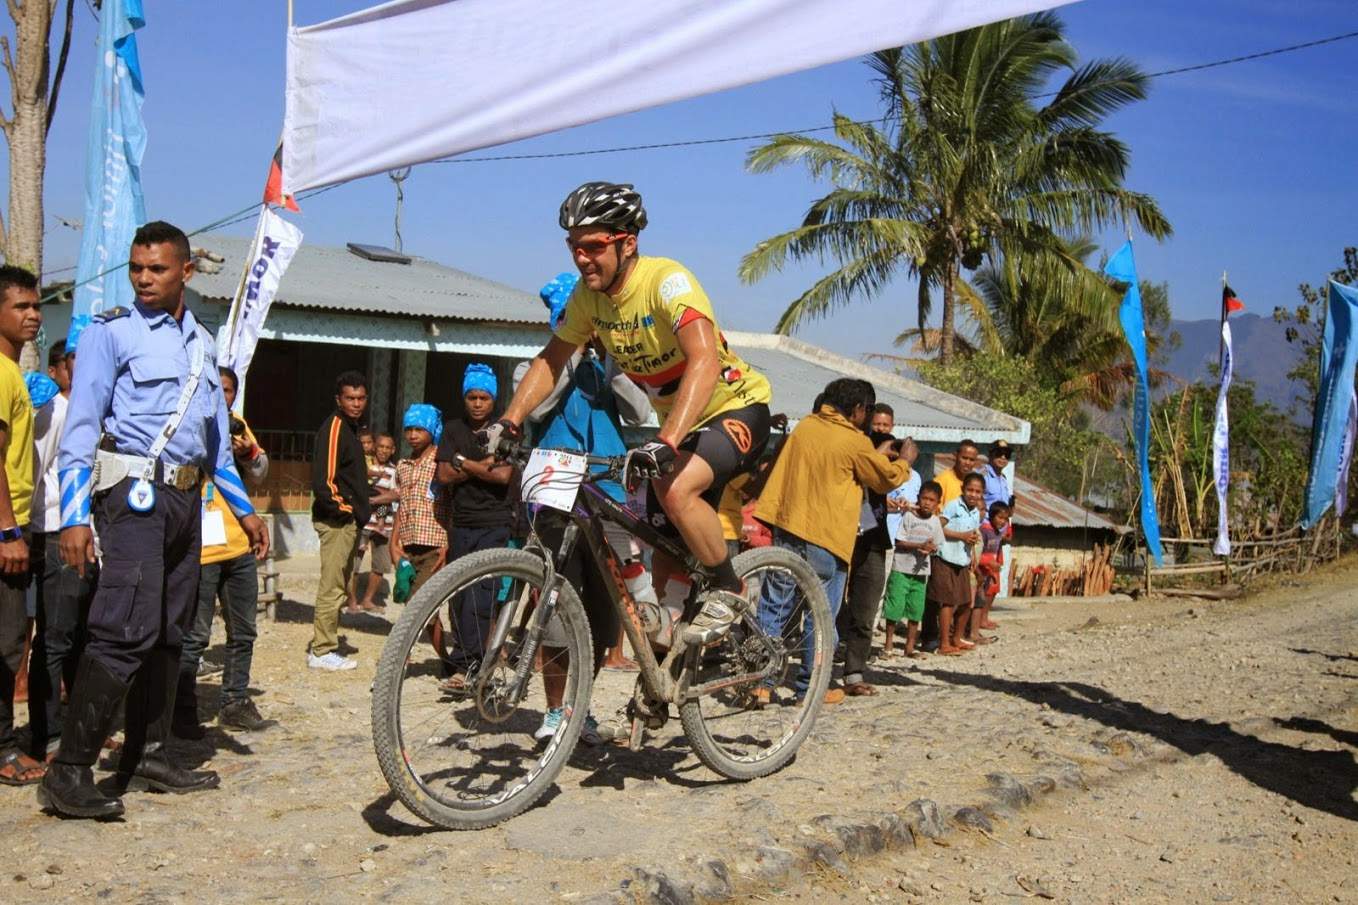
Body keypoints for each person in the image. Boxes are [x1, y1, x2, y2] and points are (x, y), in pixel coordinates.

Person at [40, 221, 269, 820]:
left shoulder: (202, 342)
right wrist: (73, 518)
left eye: (157, 269)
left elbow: (214, 442)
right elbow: (80, 429)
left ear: (185, 272)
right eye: (137, 268)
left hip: (186, 504)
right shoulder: (108, 334)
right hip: (131, 498)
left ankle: (150, 754)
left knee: (171, 632)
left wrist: (245, 513)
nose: (144, 279)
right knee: (122, 629)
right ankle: (68, 771)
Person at [482, 182, 773, 647]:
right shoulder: (588, 297)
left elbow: (703, 359)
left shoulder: (667, 281)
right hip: (682, 423)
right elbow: (551, 359)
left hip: (736, 406)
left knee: (674, 488)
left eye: (594, 246)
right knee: (661, 554)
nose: (581, 258)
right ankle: (663, 679)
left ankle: (728, 586)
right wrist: (509, 419)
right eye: (574, 246)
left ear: (628, 242)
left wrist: (667, 439)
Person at [519, 270, 653, 738]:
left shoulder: (608, 367)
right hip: (554, 497)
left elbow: (641, 413)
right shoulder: (531, 370)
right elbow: (534, 411)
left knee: (602, 611)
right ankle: (554, 710)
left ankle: (582, 707)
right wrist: (567, 356)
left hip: (608, 496)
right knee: (556, 608)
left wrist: (611, 362)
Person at [753, 378, 910, 704]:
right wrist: (905, 460)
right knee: (819, 617)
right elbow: (883, 479)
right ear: (857, 410)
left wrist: (874, 453)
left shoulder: (806, 427)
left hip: (787, 529)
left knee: (773, 608)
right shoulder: (854, 440)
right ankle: (810, 689)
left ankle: (760, 682)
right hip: (825, 540)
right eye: (867, 411)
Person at [175, 366, 273, 735]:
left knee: (243, 631)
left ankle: (234, 701)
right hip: (199, 548)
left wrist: (247, 453)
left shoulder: (237, 424)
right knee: (195, 635)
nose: (224, 396)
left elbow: (262, 470)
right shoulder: (187, 422)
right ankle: (182, 709)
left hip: (238, 543)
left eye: (229, 390)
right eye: (218, 389)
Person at [27, 339, 97, 763]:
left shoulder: (99, 412)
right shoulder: (58, 412)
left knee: (83, 638)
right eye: (76, 360)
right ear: (63, 367)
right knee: (55, 639)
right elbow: (37, 472)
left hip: (92, 539)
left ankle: (76, 726)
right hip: (57, 533)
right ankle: (48, 735)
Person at [436, 364, 515, 684]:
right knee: (458, 593)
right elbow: (442, 476)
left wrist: (461, 462)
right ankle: (468, 660)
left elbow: (504, 475)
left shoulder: (505, 432)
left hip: (495, 523)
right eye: (472, 396)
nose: (478, 403)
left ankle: (471, 663)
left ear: (493, 400)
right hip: (462, 523)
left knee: (484, 594)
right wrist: (481, 466)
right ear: (464, 398)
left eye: (484, 397)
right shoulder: (453, 429)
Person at [0, 265, 43, 786]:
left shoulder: (14, 370)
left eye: (35, 306)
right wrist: (8, 531)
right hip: (7, 529)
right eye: (20, 307)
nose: (33, 315)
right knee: (8, 642)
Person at [307, 370, 371, 672]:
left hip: (349, 522)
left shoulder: (351, 429)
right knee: (331, 586)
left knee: (339, 586)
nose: (356, 403)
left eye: (360, 398)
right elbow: (324, 481)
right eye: (350, 398)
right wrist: (345, 510)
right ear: (339, 400)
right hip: (336, 523)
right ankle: (321, 650)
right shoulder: (334, 428)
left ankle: (326, 644)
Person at [390, 405, 450, 598]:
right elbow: (402, 504)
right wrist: (393, 542)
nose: (413, 435)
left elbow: (453, 503)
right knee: (413, 600)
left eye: (419, 430)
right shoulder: (403, 465)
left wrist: (448, 545)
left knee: (420, 600)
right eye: (408, 430)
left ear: (431, 430)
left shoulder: (442, 462)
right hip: (408, 547)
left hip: (435, 545)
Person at [883, 480, 944, 659]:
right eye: (924, 498)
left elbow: (938, 545)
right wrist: (918, 545)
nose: (927, 503)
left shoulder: (935, 522)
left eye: (932, 500)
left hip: (921, 572)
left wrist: (930, 548)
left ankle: (909, 647)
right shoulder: (909, 517)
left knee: (916, 609)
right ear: (918, 498)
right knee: (894, 607)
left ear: (937, 503)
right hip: (901, 568)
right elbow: (899, 541)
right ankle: (888, 645)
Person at [929, 472, 985, 657]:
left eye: (978, 491)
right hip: (945, 558)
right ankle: (944, 643)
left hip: (963, 560)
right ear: (963, 489)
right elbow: (938, 526)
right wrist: (961, 536)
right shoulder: (953, 506)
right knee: (947, 602)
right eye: (970, 490)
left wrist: (973, 556)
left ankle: (957, 638)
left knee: (966, 602)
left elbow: (972, 534)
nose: (973, 494)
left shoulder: (976, 512)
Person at [350, 433, 398, 613]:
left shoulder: (395, 471)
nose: (384, 450)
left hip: (383, 523)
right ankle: (352, 601)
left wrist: (375, 500)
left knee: (380, 564)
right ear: (374, 447)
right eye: (381, 446)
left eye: (388, 447)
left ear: (393, 450)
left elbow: (396, 494)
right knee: (354, 563)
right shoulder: (364, 466)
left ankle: (368, 601)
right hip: (362, 522)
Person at [971, 501, 1012, 637]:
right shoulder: (985, 530)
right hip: (979, 570)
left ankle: (975, 629)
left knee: (982, 598)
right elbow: (976, 552)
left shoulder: (998, 532)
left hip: (989, 569)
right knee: (976, 599)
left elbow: (996, 548)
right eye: (1000, 518)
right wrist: (988, 562)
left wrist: (996, 562)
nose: (1002, 521)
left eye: (1005, 519)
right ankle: (971, 630)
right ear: (992, 516)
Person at [935, 438, 980, 506]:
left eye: (971, 460)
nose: (967, 462)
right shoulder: (941, 481)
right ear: (956, 456)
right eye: (964, 458)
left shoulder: (976, 484)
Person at [982, 440, 1015, 512]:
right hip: (986, 521)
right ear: (990, 455)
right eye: (999, 453)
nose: (1003, 457)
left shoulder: (1003, 479)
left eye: (1007, 454)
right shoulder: (982, 476)